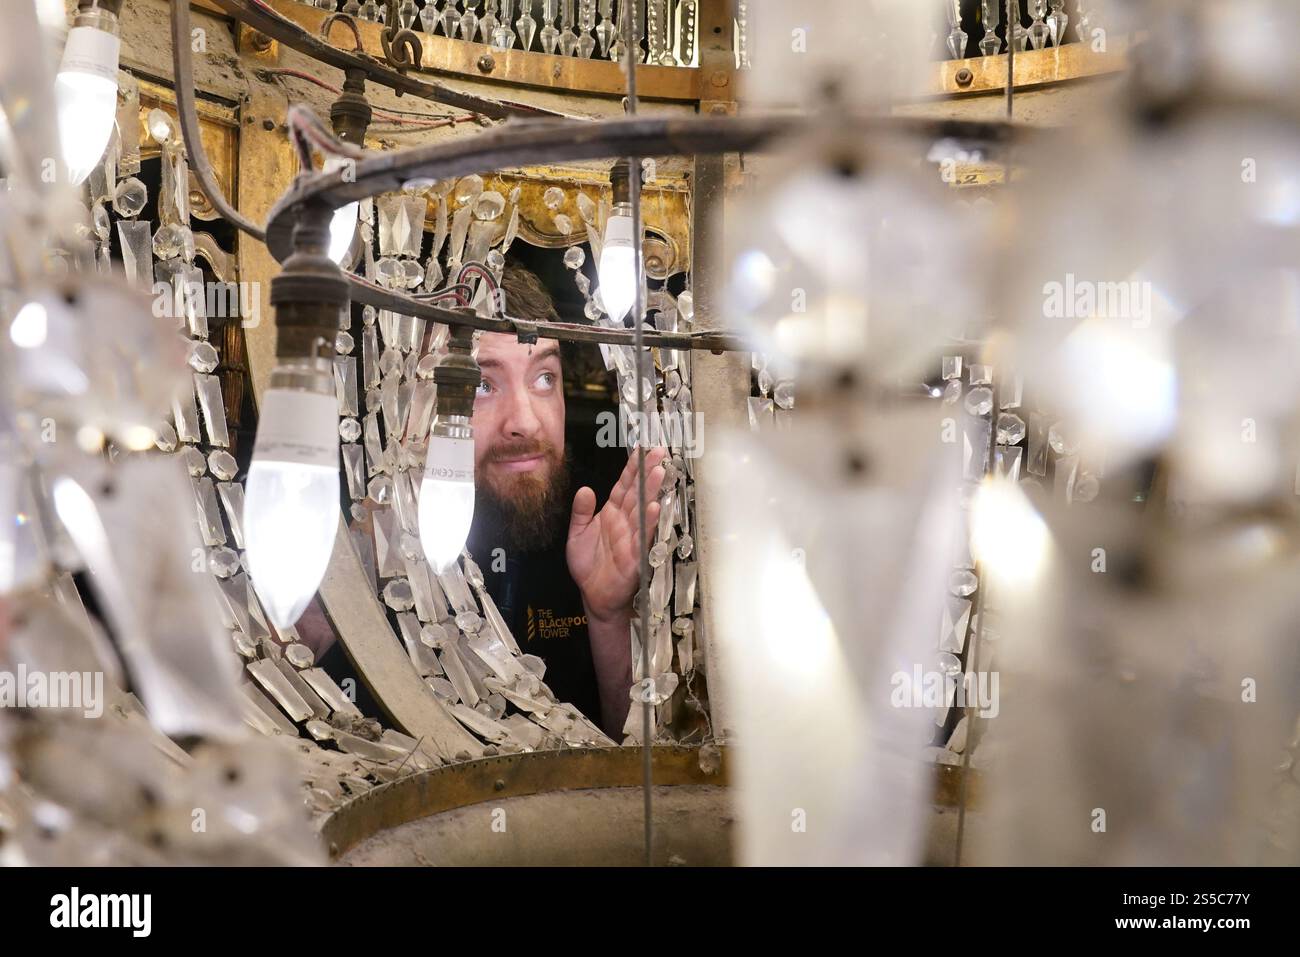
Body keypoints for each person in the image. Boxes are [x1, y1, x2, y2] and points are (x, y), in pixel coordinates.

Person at [467, 264, 665, 736]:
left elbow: (630, 768)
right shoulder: (377, 547)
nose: (526, 423)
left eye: (543, 379)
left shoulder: (599, 523)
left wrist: (607, 616)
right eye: (482, 385)